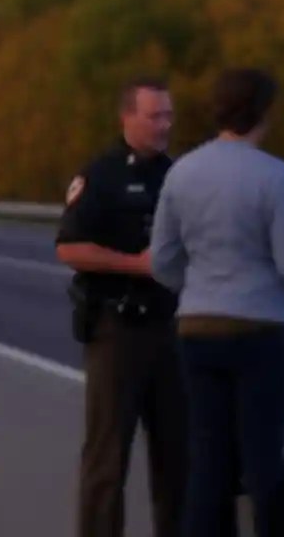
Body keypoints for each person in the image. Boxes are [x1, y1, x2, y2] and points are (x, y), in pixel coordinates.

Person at [149, 67, 284, 537]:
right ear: (263, 111)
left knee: (208, 461)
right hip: (258, 328)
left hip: (197, 325)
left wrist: (199, 283)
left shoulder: (183, 172)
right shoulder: (274, 176)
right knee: (263, 461)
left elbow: (162, 260)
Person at [54, 77, 189, 537]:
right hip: (118, 331)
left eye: (169, 115)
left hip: (171, 330)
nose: (164, 124)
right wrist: (134, 264)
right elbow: (69, 248)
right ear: (127, 117)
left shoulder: (178, 175)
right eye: (155, 116)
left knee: (178, 458)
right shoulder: (101, 176)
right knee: (107, 461)